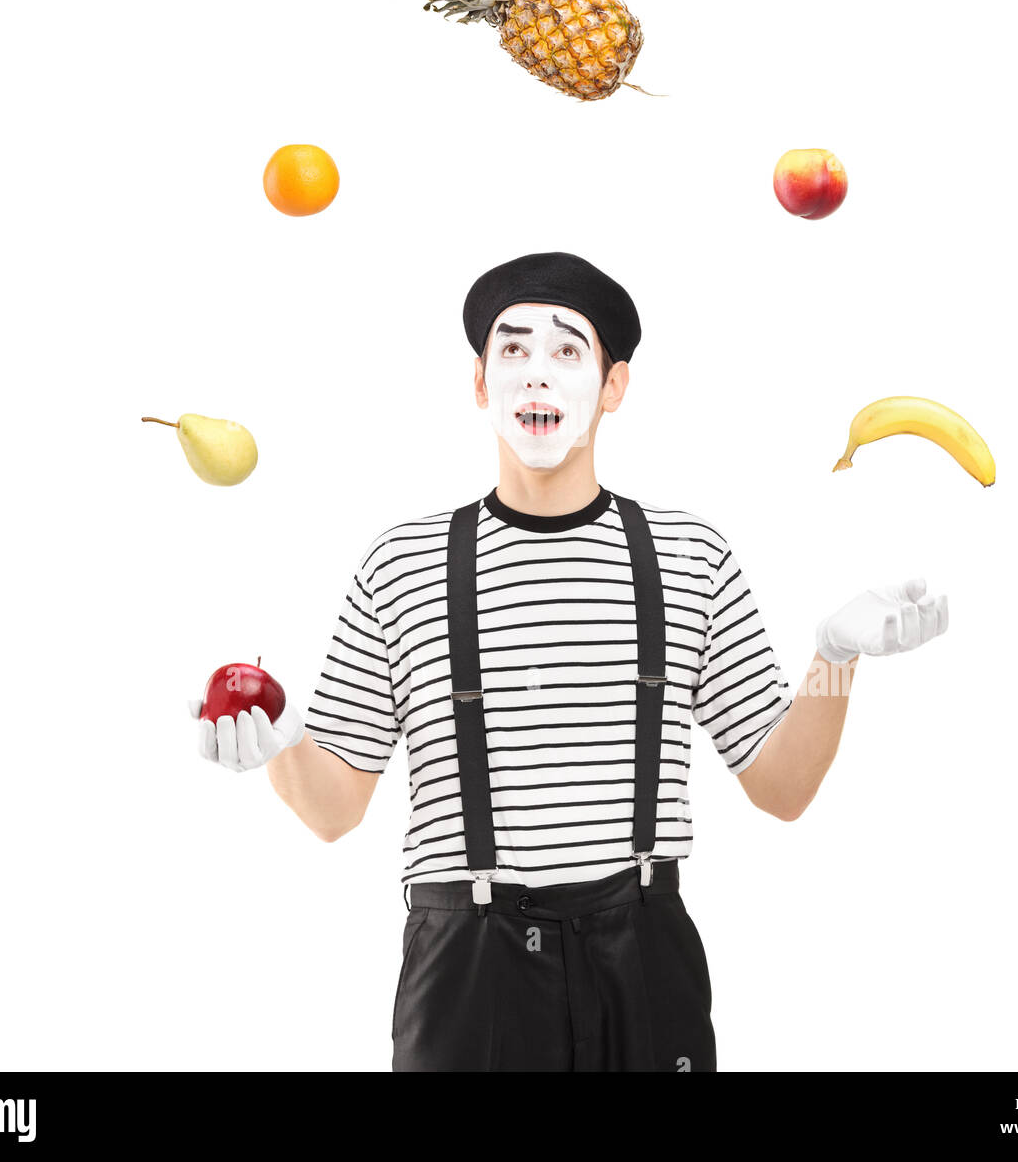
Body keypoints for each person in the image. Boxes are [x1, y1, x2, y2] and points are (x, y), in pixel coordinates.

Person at [190, 250, 949, 1072]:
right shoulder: (399, 565)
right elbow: (334, 810)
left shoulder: (690, 554)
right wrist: (281, 744)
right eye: (510, 351)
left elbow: (783, 787)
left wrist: (834, 656)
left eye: (566, 351)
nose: (535, 375)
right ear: (480, 384)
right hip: (467, 979)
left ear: (612, 386)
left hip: (644, 960)